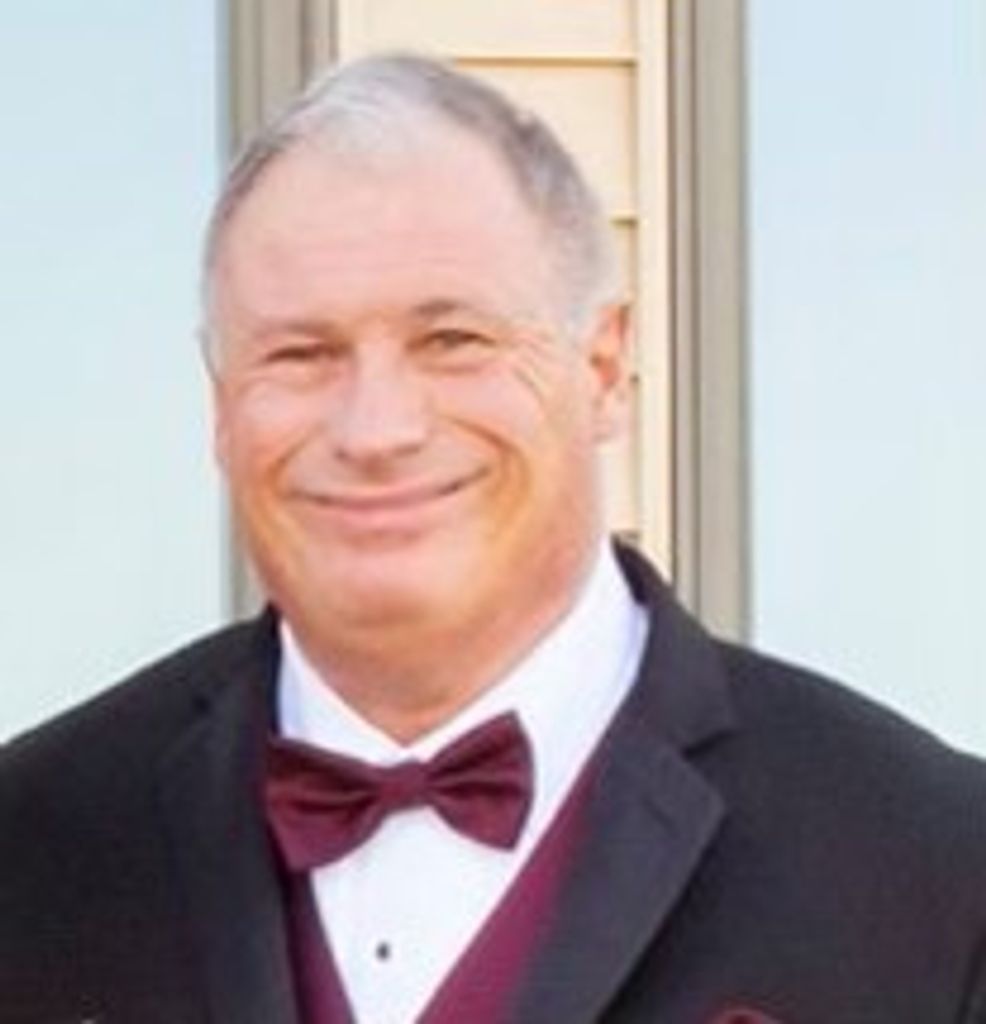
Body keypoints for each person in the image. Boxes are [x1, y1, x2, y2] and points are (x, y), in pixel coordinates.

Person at [2, 53, 985, 1024]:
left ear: (603, 369)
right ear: (221, 405)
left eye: (452, 341)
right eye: (301, 354)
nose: (376, 429)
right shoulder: (33, 849)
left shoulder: (933, 867)